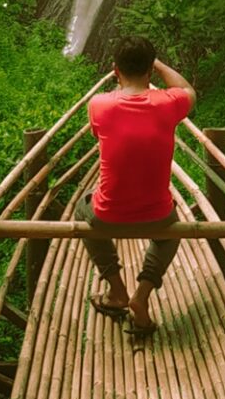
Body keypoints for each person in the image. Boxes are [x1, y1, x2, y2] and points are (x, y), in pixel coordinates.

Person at [75, 36, 197, 337]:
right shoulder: (170, 104)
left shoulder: (99, 105)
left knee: (81, 209)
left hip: (107, 214)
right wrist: (157, 64)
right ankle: (141, 295)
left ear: (115, 70)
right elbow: (187, 90)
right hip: (158, 216)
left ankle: (117, 291)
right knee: (172, 233)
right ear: (151, 71)